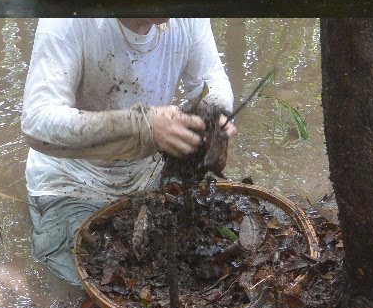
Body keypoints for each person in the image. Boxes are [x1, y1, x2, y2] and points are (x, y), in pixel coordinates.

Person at [21, 18, 236, 286]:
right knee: (89, 287)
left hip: (151, 170)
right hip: (71, 181)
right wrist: (142, 127)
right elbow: (37, 123)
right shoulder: (68, 19)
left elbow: (212, 80)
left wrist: (213, 117)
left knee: (217, 255)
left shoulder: (187, 12)